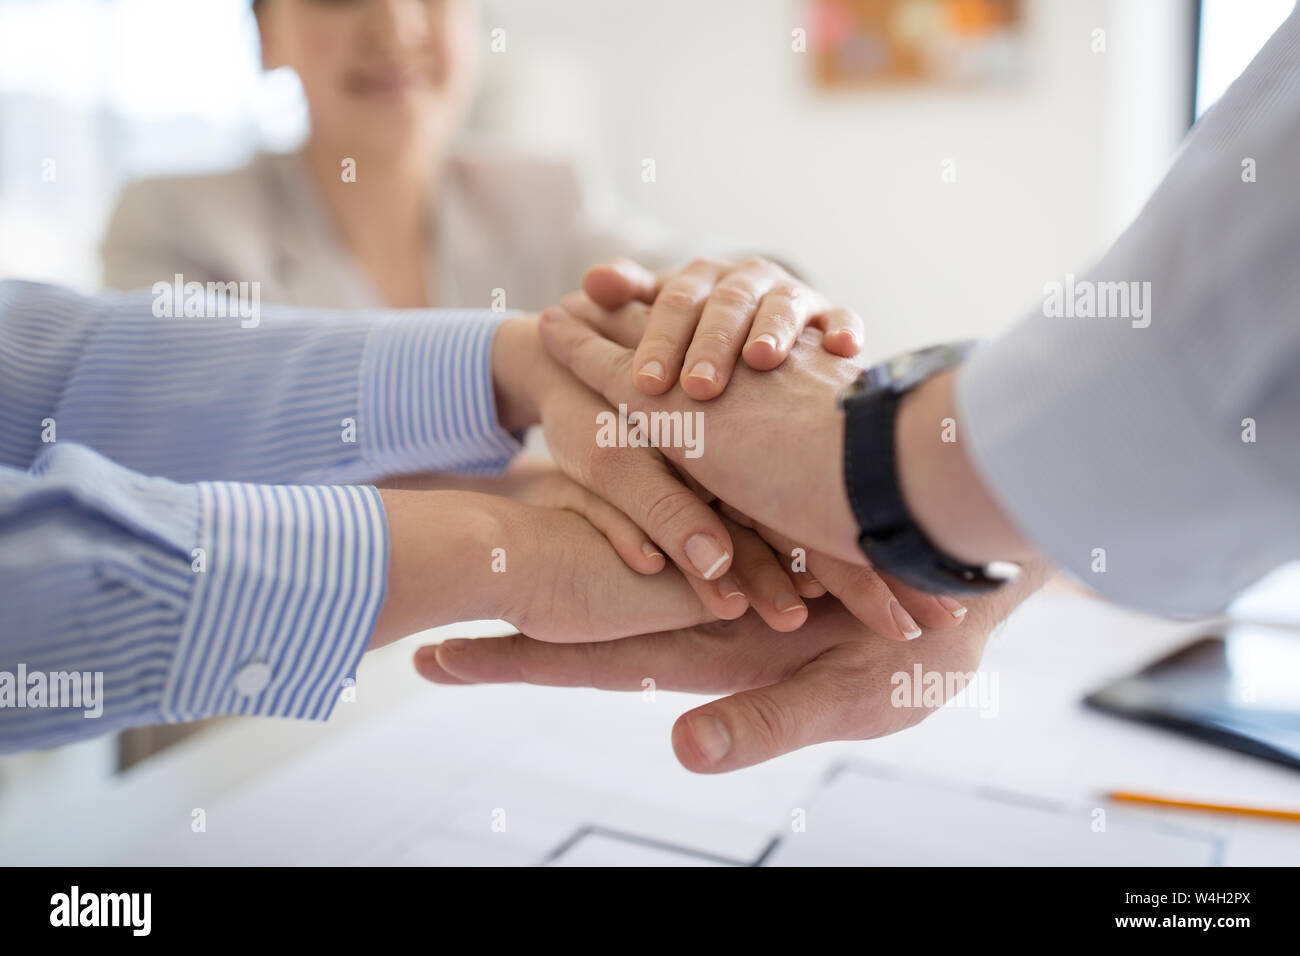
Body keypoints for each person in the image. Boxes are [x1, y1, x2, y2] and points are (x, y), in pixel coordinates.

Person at [414, 5, 1300, 772]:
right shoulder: (267, 256)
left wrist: (745, 307)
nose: (392, 27)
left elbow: (663, 287)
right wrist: (872, 474)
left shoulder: (539, 189)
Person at [0, 273, 942, 754]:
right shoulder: (186, 209)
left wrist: (733, 322)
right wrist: (495, 549)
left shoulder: (534, 185)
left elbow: (53, 364)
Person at [100, 0, 685, 312]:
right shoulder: (172, 222)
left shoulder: (552, 196)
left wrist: (745, 288)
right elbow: (205, 431)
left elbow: (681, 279)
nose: (397, 27)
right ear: (266, 35)